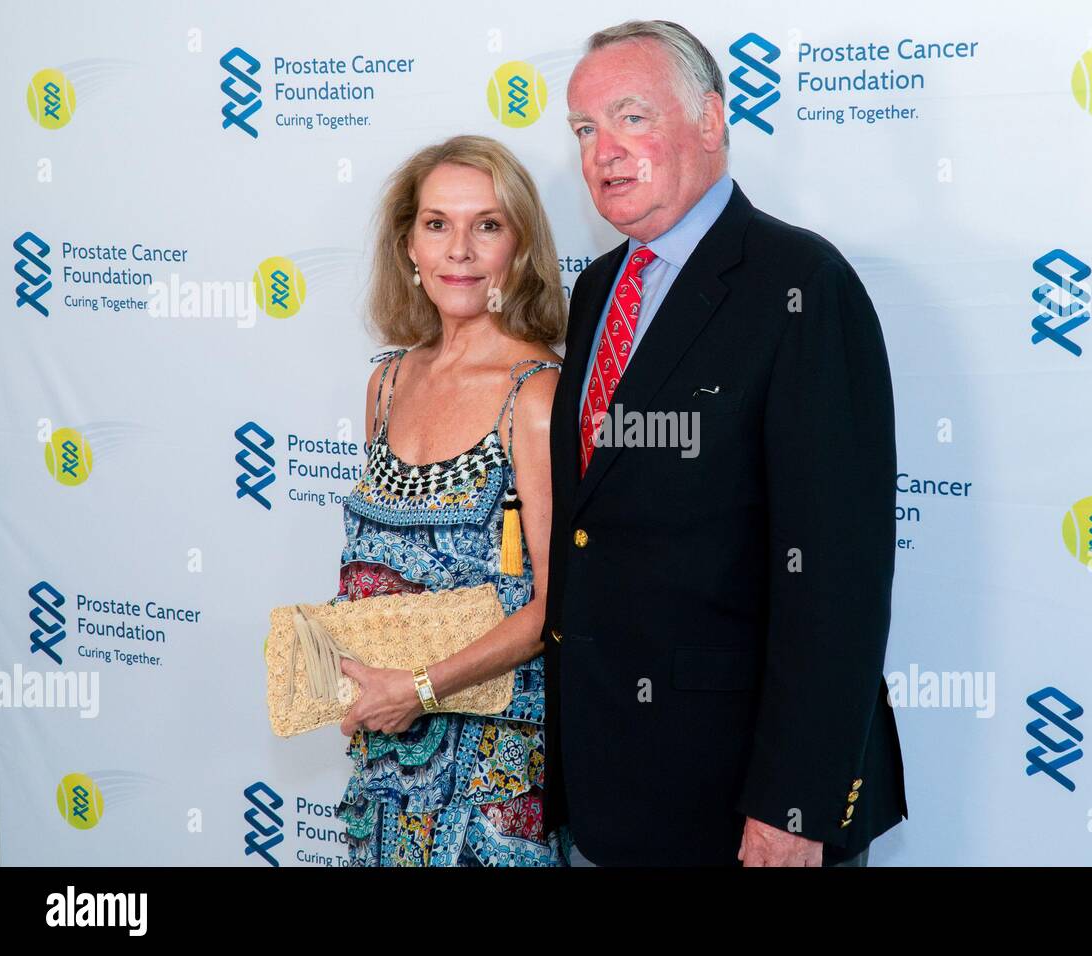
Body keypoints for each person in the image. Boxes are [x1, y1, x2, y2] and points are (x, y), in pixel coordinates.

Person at [542, 20, 908, 866]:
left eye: (632, 118)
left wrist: (792, 802)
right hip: (610, 788)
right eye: (586, 130)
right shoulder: (599, 287)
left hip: (745, 805)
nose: (605, 152)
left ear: (710, 121)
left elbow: (838, 579)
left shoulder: (802, 284)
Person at [330, 134, 566, 866]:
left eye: (486, 225)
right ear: (408, 244)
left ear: (518, 248)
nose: (459, 250)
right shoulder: (388, 382)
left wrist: (421, 689)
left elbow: (559, 604)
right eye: (437, 224)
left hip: (492, 771)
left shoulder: (538, 395)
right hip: (385, 753)